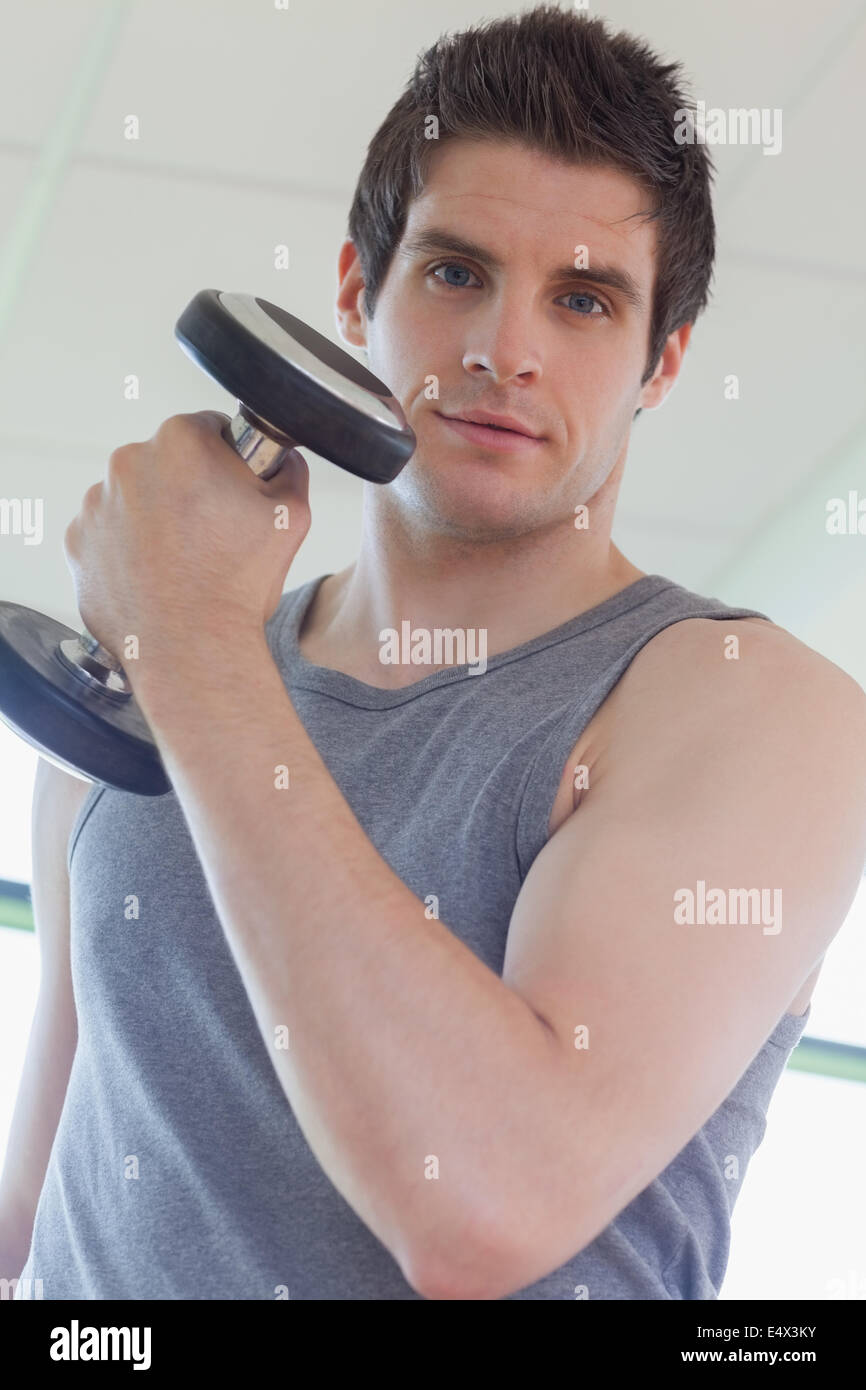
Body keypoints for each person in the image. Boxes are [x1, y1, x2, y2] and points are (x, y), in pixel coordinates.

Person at [4, 5, 866, 1301]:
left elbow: (485, 1202)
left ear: (661, 362)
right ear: (357, 291)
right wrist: (187, 652)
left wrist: (191, 642)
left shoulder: (752, 710)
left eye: (582, 298)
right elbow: (41, 1194)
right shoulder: (154, 693)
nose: (500, 350)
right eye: (455, 271)